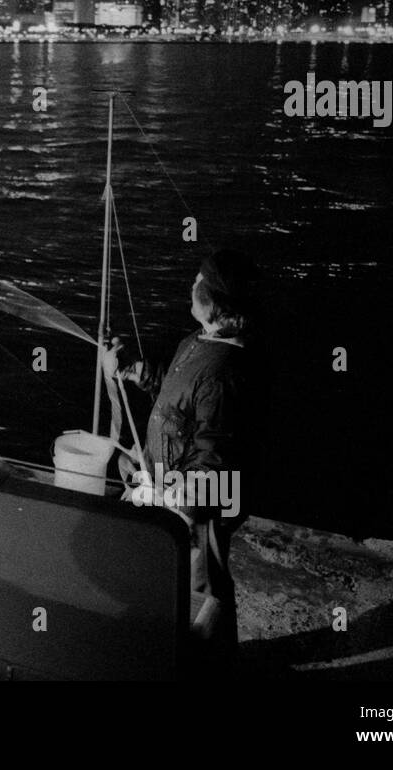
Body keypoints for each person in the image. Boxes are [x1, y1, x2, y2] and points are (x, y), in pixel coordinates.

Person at [102, 249, 263, 662]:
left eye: (198, 282)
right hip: (169, 488)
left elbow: (217, 460)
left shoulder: (224, 373)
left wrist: (178, 504)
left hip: (196, 509)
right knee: (173, 585)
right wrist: (139, 372)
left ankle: (209, 666)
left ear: (217, 301)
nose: (191, 287)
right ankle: (181, 656)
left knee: (202, 588)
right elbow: (178, 405)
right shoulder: (196, 342)